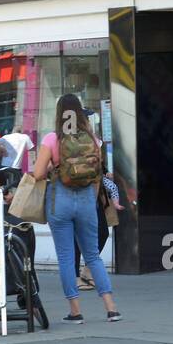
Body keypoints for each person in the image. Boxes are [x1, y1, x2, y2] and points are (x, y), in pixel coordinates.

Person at [32, 95, 121, 324]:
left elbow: (39, 173)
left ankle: (75, 311)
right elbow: (97, 174)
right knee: (92, 255)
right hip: (86, 201)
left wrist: (54, 165)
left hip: (59, 200)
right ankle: (111, 308)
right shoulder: (93, 139)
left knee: (65, 256)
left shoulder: (53, 139)